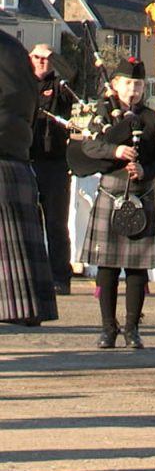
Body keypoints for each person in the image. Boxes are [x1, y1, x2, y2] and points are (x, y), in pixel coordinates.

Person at [79, 57, 155, 349]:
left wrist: (147, 170)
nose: (134, 90)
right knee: (106, 268)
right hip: (110, 193)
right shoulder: (103, 114)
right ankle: (108, 328)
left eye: (139, 84)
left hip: (140, 195)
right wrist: (116, 149)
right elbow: (88, 146)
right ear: (116, 85)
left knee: (136, 269)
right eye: (128, 83)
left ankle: (132, 328)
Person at [0, 33, 58, 326]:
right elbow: (33, 106)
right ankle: (24, 307)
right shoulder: (15, 48)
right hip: (16, 159)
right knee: (17, 251)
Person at [29, 43, 76, 295]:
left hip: (55, 165)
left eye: (45, 59)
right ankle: (32, 275)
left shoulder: (60, 87)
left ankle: (60, 277)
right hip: (27, 161)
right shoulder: (22, 85)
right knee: (29, 224)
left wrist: (53, 55)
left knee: (56, 225)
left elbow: (73, 75)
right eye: (36, 57)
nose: (41, 62)